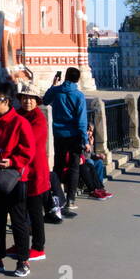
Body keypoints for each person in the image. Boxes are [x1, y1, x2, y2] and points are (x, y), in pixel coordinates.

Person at [0, 84, 34, 278]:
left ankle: (23, 260)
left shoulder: (20, 123)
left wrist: (12, 161)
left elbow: (29, 151)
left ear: (7, 101)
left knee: (18, 221)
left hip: (14, 179)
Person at [42, 68, 87, 215]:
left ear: (66, 77)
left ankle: (56, 197)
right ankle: (70, 200)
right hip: (74, 135)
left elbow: (45, 100)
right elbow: (81, 121)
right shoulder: (79, 95)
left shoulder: (56, 91)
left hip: (59, 134)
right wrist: (84, 139)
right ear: (78, 79)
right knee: (74, 167)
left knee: (58, 165)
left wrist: (53, 85)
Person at [15, 88, 50, 261]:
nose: (27, 101)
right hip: (20, 171)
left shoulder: (39, 119)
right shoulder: (18, 114)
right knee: (19, 210)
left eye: (31, 98)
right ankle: (21, 243)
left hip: (35, 171)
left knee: (35, 211)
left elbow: (29, 143)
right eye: (24, 98)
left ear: (37, 101)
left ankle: (38, 247)